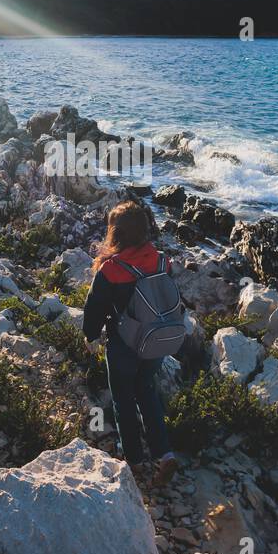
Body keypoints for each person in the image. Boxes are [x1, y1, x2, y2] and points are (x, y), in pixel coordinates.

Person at [82, 200, 179, 486]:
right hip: (155, 344)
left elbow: (94, 308)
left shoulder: (111, 269)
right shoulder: (162, 261)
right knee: (147, 392)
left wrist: (90, 337)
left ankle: (134, 461)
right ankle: (165, 455)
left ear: (117, 234)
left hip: (123, 345)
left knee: (123, 399)